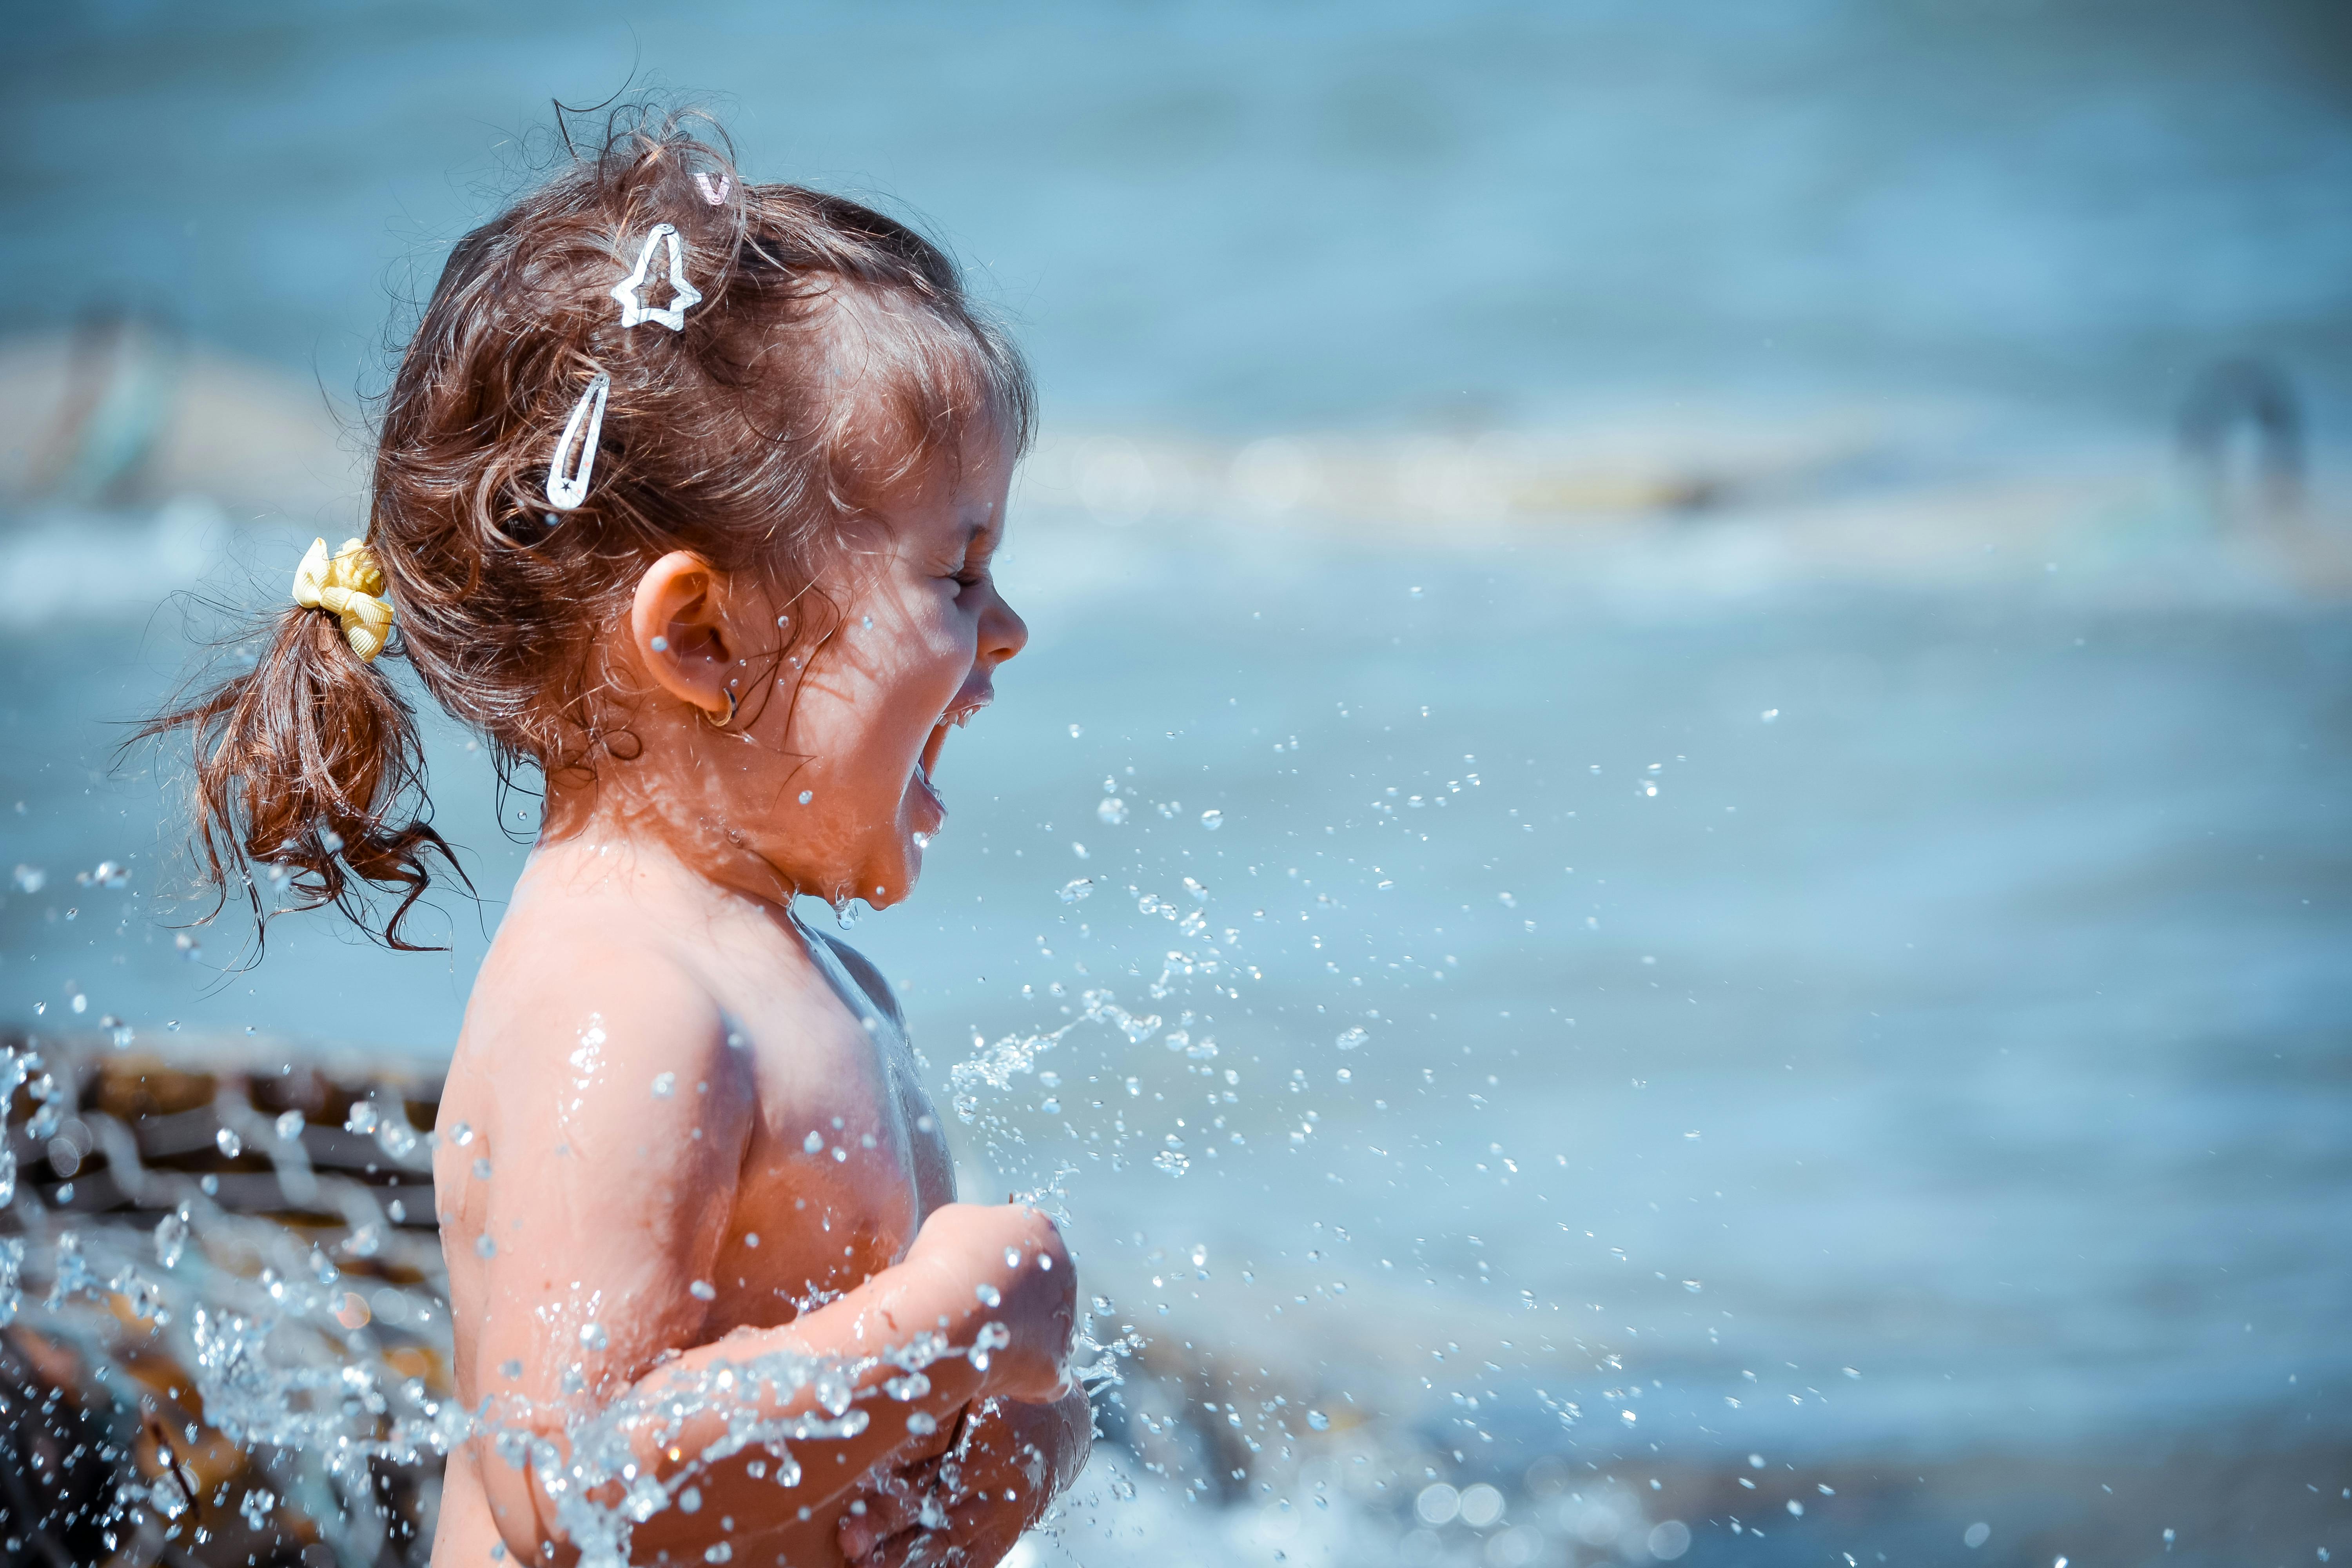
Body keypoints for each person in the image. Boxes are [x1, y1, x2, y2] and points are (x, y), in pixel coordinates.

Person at [143, 106, 1088, 1567]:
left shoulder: (824, 988)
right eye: (959, 573)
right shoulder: (627, 1003)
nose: (1009, 630)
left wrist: (1008, 1442)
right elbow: (577, 1486)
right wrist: (942, 1328)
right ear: (700, 634)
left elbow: (849, 1453)